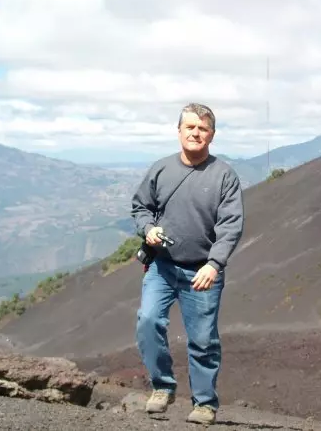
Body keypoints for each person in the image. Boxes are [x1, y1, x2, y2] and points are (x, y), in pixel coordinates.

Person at [131, 103, 244, 425]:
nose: (196, 133)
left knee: (203, 340)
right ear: (179, 131)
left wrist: (214, 264)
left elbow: (232, 224)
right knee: (148, 321)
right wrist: (148, 229)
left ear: (212, 134)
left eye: (203, 128)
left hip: (202, 272)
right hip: (162, 267)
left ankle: (205, 404)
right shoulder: (161, 169)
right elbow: (141, 207)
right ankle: (162, 387)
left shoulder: (224, 175)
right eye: (190, 127)